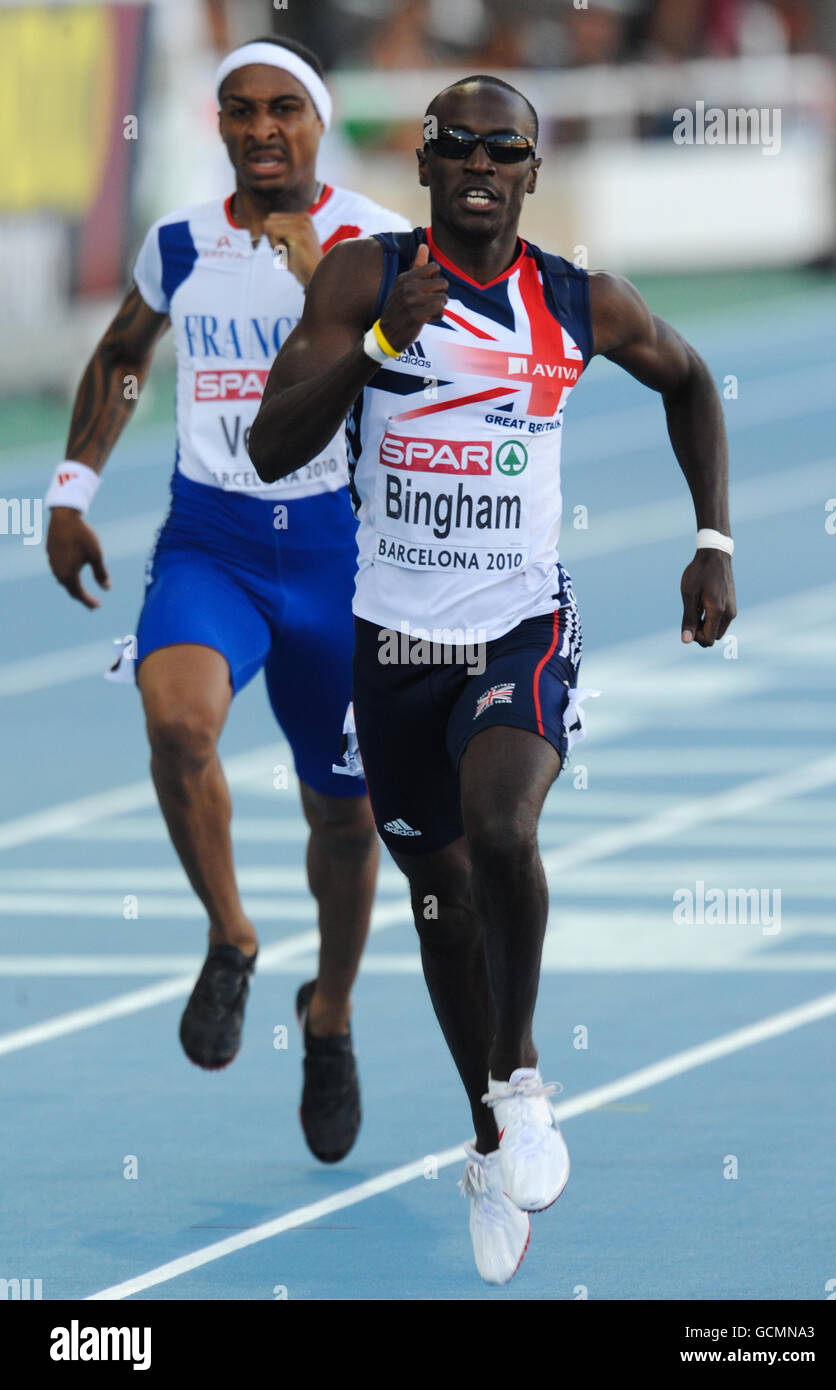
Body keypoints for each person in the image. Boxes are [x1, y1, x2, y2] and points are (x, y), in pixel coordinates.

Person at [248, 74, 736, 1280]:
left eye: (502, 148)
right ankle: (485, 1137)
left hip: (516, 626)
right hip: (393, 646)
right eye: (456, 143)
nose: (478, 161)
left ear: (530, 171)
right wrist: (375, 347)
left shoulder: (576, 302)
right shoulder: (363, 278)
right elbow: (270, 447)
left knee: (501, 825)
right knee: (442, 901)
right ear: (423, 164)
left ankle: (518, 1079)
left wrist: (712, 540)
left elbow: (689, 378)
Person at [45, 37, 412, 1165]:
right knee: (175, 722)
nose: (261, 128)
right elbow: (122, 351)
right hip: (211, 538)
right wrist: (70, 489)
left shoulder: (376, 239)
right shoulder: (180, 241)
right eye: (241, 110)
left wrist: (325, 290)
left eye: (284, 110)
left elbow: (420, 387)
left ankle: (332, 1017)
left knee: (344, 820)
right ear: (220, 126)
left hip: (334, 556)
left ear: (319, 120)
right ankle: (232, 935)